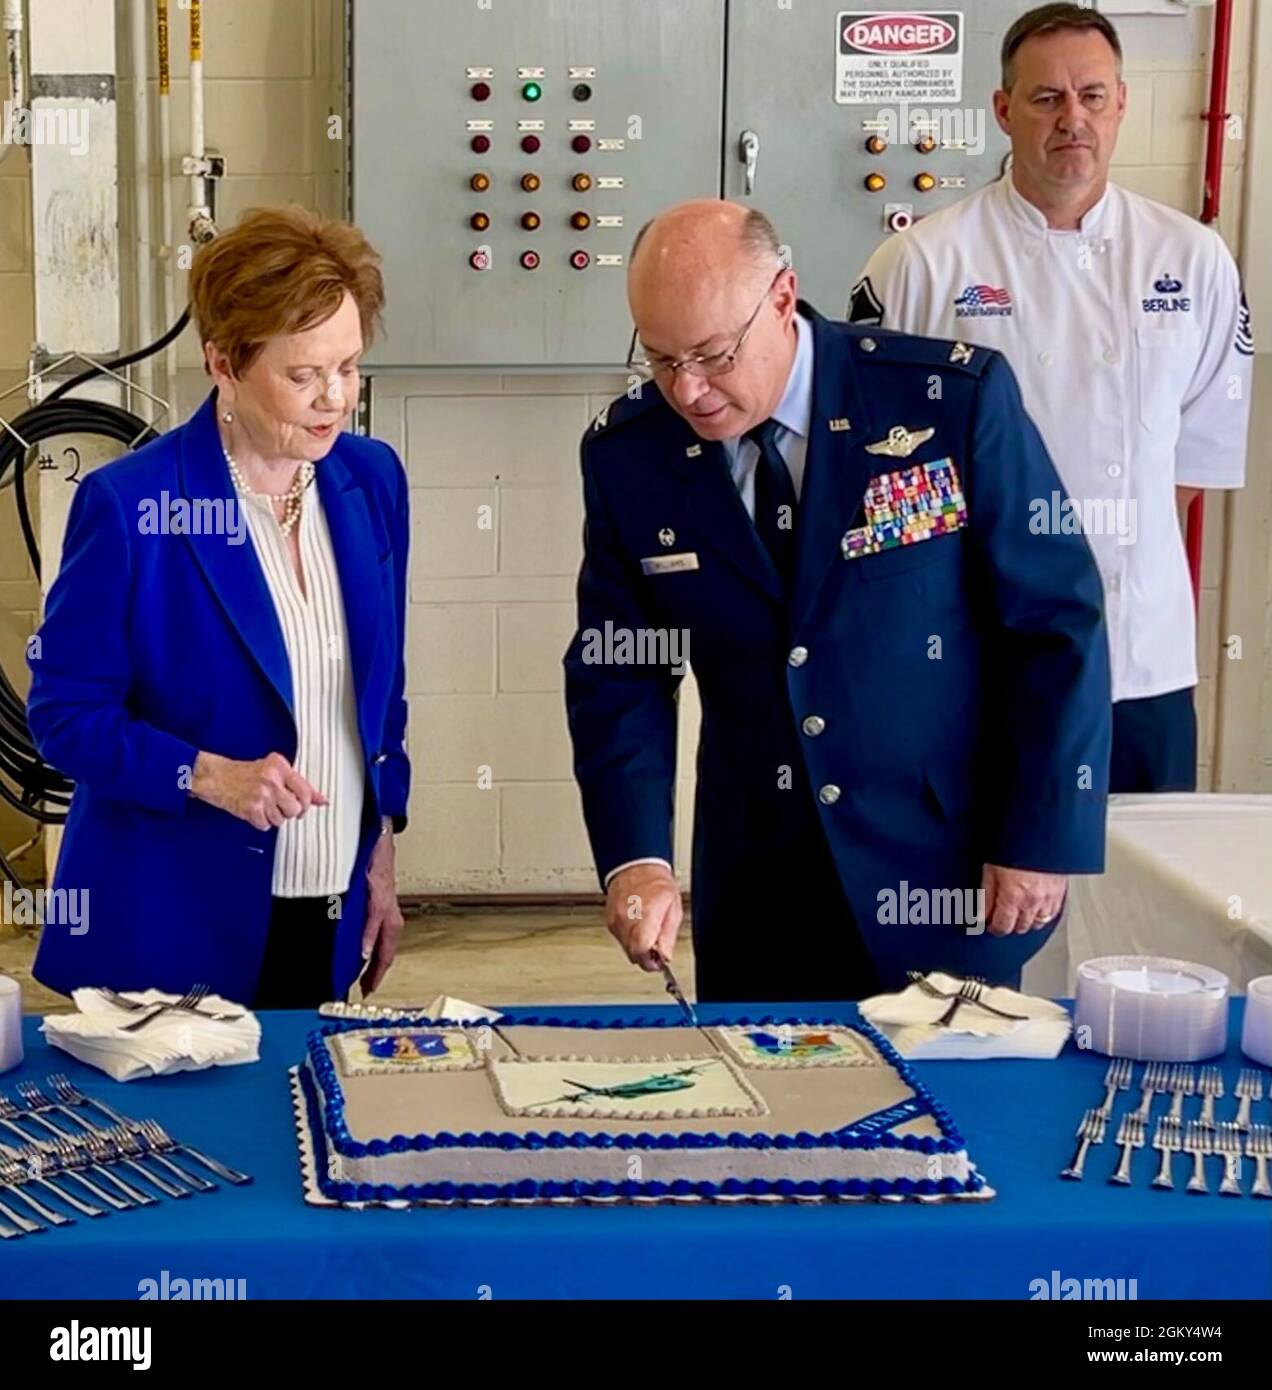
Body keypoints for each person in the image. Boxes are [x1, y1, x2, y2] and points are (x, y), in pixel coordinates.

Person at [563, 199, 1112, 1003]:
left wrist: (1039, 834)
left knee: (957, 1116)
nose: (688, 388)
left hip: (944, 867)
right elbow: (622, 672)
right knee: (768, 1117)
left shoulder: (945, 402)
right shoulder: (630, 456)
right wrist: (636, 857)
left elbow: (1056, 623)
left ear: (783, 297)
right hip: (758, 882)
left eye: (714, 355)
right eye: (661, 358)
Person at [849, 2, 1252, 793]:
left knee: (1147, 896)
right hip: (980, 655)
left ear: (1123, 103)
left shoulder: (1194, 260)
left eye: (1093, 96)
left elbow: (1195, 457)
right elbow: (878, 470)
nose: (1074, 119)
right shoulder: (921, 264)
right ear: (1003, 110)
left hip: (1141, 658)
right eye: (1046, 99)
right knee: (995, 899)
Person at [26, 206, 410, 1008]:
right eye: (302, 376)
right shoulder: (132, 506)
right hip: (170, 924)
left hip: (327, 906)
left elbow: (380, 698)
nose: (334, 398)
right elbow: (64, 717)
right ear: (224, 365)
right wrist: (203, 775)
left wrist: (379, 856)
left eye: (348, 366)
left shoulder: (371, 481)